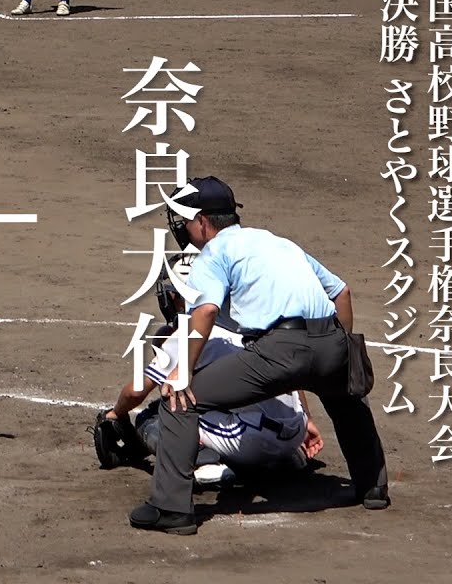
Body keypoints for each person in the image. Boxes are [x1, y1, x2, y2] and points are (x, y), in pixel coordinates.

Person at [129, 176, 390, 535]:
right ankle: (373, 487)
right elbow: (341, 292)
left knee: (181, 400)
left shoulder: (214, 253)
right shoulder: (277, 242)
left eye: (186, 219)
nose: (183, 228)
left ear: (203, 221)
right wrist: (343, 349)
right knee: (345, 398)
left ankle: (171, 508)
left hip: (279, 349)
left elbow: (204, 312)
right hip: (330, 337)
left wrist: (183, 374)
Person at [94, 254, 323, 486]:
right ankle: (286, 459)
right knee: (215, 394)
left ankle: (206, 464)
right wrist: (307, 420)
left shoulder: (189, 332)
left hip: (257, 438)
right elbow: (290, 377)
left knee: (156, 415)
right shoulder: (258, 318)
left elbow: (136, 392)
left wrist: (114, 414)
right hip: (295, 429)